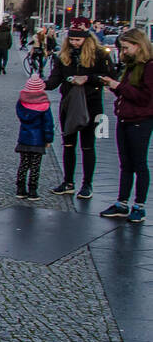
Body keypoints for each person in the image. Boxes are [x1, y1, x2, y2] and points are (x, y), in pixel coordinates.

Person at [45, 18, 112, 199]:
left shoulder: (99, 55)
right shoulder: (64, 56)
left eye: (78, 40)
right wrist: (40, 85)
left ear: (86, 38)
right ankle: (68, 181)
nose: (74, 43)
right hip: (69, 103)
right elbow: (54, 79)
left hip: (91, 104)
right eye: (72, 40)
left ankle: (87, 184)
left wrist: (88, 79)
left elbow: (109, 76)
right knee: (68, 144)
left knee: (88, 145)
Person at [99, 29, 153, 222]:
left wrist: (118, 86)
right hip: (125, 118)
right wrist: (115, 88)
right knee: (126, 164)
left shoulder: (148, 67)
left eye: (126, 47)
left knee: (139, 163)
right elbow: (127, 94)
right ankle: (122, 203)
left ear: (138, 46)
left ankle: (139, 205)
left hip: (140, 121)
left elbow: (145, 98)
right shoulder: (132, 65)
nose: (124, 51)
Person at [15, 75, 54, 201]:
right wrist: (48, 139)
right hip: (38, 140)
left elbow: (20, 115)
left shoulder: (21, 102)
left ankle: (20, 189)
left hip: (24, 138)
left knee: (23, 164)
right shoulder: (44, 105)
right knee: (35, 166)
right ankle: (32, 190)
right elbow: (48, 124)